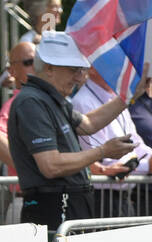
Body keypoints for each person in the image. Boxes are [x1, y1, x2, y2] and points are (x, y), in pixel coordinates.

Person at [6, 32, 135, 230]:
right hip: (53, 206)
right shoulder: (32, 102)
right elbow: (50, 165)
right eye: (73, 70)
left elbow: (88, 123)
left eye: (80, 70)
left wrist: (128, 97)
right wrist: (103, 151)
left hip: (66, 203)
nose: (79, 77)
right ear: (49, 69)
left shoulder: (50, 99)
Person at [71, 66, 152, 216]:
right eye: (110, 62)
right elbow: (104, 162)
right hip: (100, 200)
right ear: (92, 67)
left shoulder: (115, 98)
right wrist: (149, 165)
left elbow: (134, 141)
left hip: (122, 199)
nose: (117, 66)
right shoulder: (82, 101)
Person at [0, 40, 36, 167]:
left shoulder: (51, 99)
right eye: (29, 62)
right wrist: (30, 170)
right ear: (12, 71)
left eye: (39, 61)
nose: (37, 66)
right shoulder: (12, 106)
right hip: (30, 186)